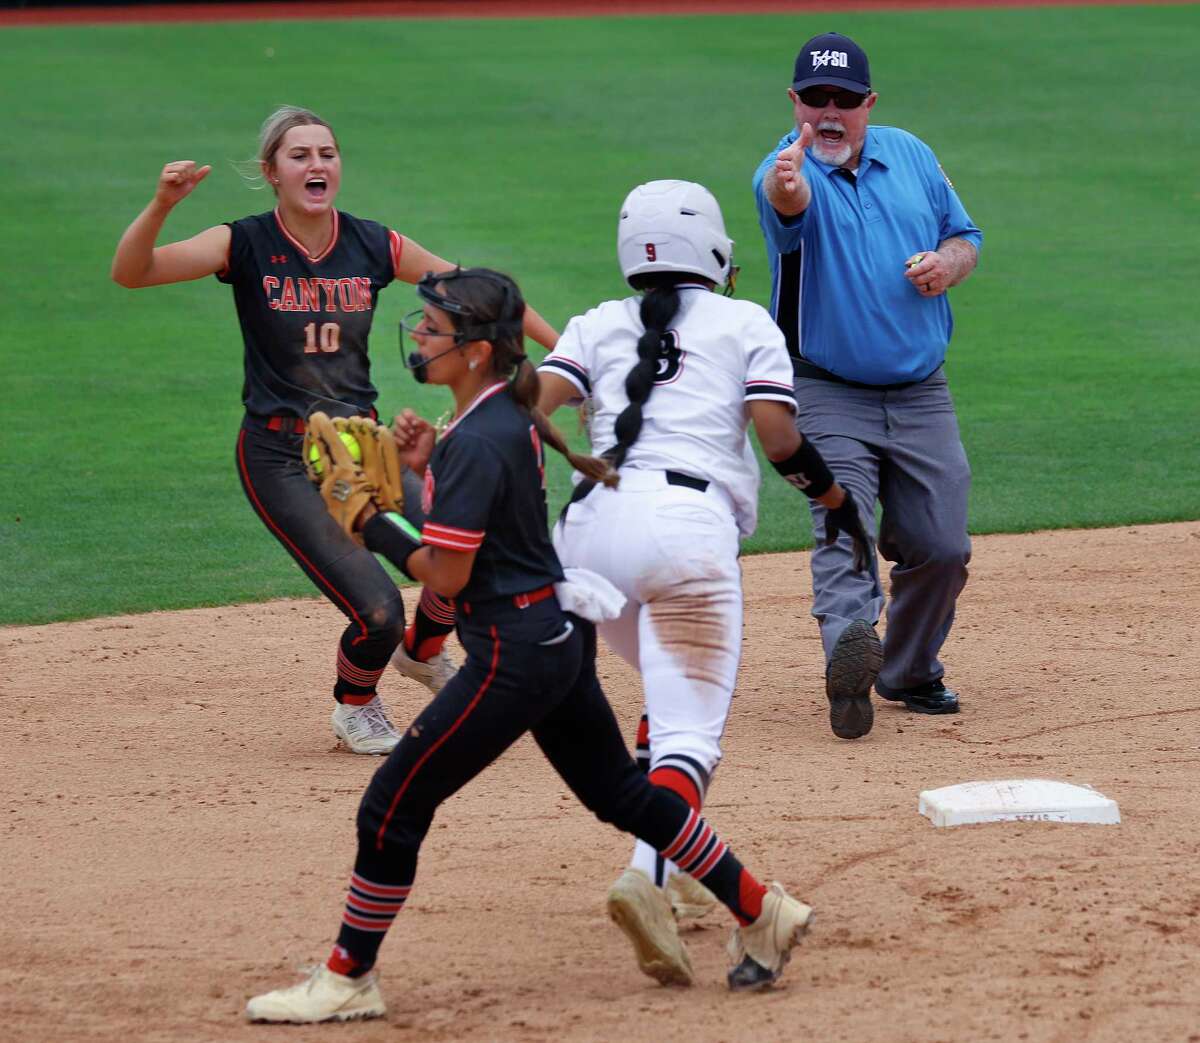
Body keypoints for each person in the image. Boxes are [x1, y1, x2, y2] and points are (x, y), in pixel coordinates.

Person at [243, 268, 816, 1023]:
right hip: (553, 636)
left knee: (391, 804)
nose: (417, 334)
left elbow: (447, 575)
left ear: (477, 350)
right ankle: (760, 908)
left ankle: (349, 975)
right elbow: (491, 506)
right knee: (623, 794)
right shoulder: (493, 418)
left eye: (432, 326)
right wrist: (425, 467)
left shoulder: (480, 434)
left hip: (513, 654)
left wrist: (371, 521)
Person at [110, 106, 559, 755]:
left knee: (471, 542)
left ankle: (423, 652)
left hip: (365, 449)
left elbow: (482, 297)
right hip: (282, 454)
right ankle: (356, 706)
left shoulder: (374, 243)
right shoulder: (244, 243)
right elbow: (133, 270)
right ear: (271, 172)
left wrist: (566, 345)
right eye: (300, 155)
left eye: (327, 152)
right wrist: (160, 203)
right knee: (377, 612)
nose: (317, 164)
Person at [537, 180, 871, 983]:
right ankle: (649, 875)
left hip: (583, 543)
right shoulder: (745, 320)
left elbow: (528, 407)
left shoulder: (593, 323)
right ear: (714, 251)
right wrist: (833, 497)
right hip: (684, 537)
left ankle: (681, 868)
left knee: (661, 695)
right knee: (690, 731)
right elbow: (778, 434)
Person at [752, 32, 982, 737]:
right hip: (825, 391)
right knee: (842, 521)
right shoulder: (785, 170)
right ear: (794, 102)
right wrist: (788, 190)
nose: (829, 111)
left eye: (844, 100)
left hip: (920, 390)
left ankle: (907, 669)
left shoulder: (911, 154)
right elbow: (782, 206)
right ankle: (847, 657)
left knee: (941, 547)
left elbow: (966, 235)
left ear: (867, 104)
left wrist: (946, 264)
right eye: (815, 98)